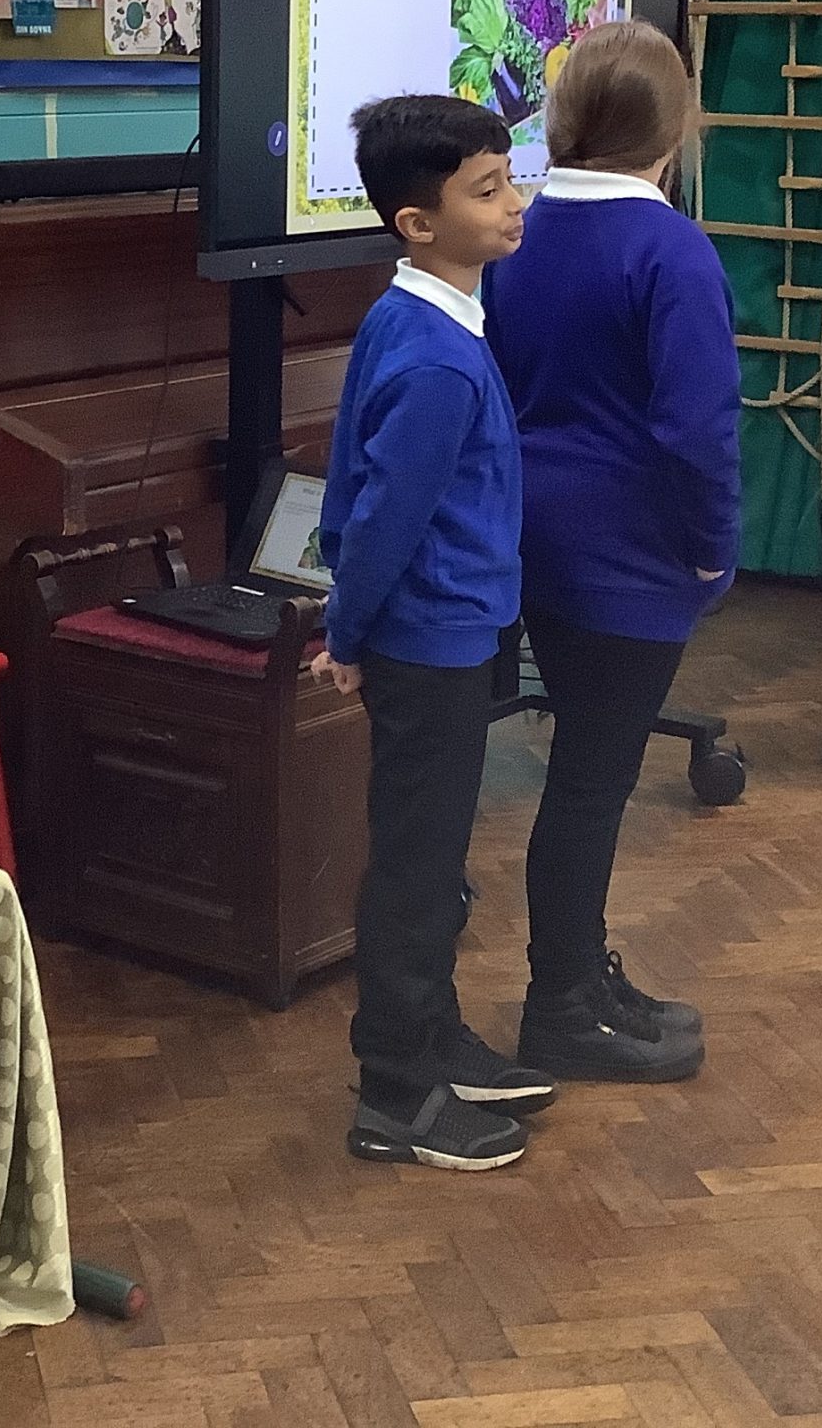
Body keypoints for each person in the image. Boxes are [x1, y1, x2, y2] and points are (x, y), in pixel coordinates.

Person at [485, 23, 734, 1084]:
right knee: (591, 784)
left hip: (531, 537)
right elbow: (696, 427)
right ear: (674, 128)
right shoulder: (673, 249)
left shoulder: (515, 233)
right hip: (633, 554)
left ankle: (581, 973)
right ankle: (561, 1007)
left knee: (584, 775)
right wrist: (714, 550)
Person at [312, 96, 554, 1173]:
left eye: (509, 179)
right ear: (417, 222)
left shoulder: (420, 316)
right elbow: (378, 517)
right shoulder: (436, 361)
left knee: (439, 857)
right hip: (429, 640)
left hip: (450, 630)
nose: (514, 204)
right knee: (416, 869)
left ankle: (435, 1038)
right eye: (487, 190)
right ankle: (395, 1093)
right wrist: (348, 635)